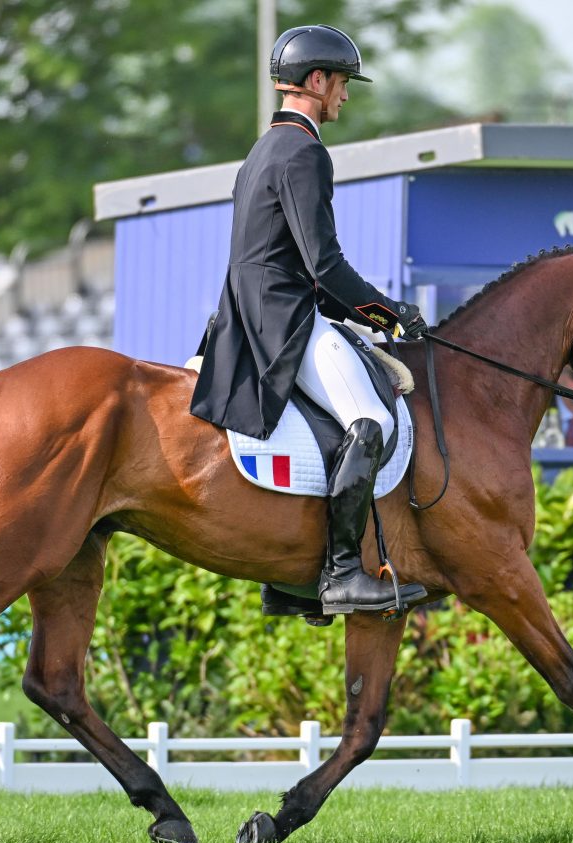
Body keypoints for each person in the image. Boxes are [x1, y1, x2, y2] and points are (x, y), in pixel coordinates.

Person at [189, 24, 428, 613]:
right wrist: (390, 314)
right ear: (316, 81)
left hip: (252, 310)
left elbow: (284, 257)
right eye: (343, 83)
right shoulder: (304, 151)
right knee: (370, 421)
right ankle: (341, 573)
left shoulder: (263, 148)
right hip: (281, 318)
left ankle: (292, 578)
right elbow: (325, 265)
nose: (345, 95)